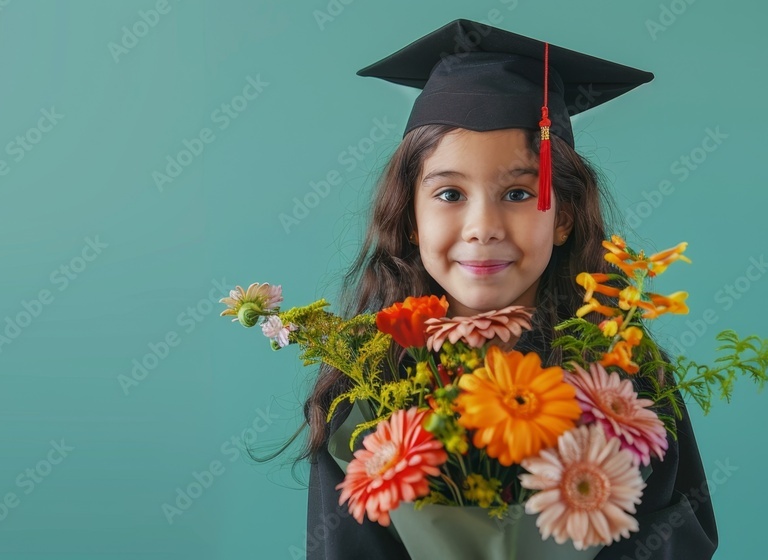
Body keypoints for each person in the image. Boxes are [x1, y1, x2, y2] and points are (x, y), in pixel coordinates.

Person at [291, 19, 718, 560]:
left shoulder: (623, 375)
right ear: (411, 220)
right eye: (449, 193)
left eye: (518, 192)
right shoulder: (369, 384)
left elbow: (676, 537)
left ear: (563, 218)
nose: (483, 226)